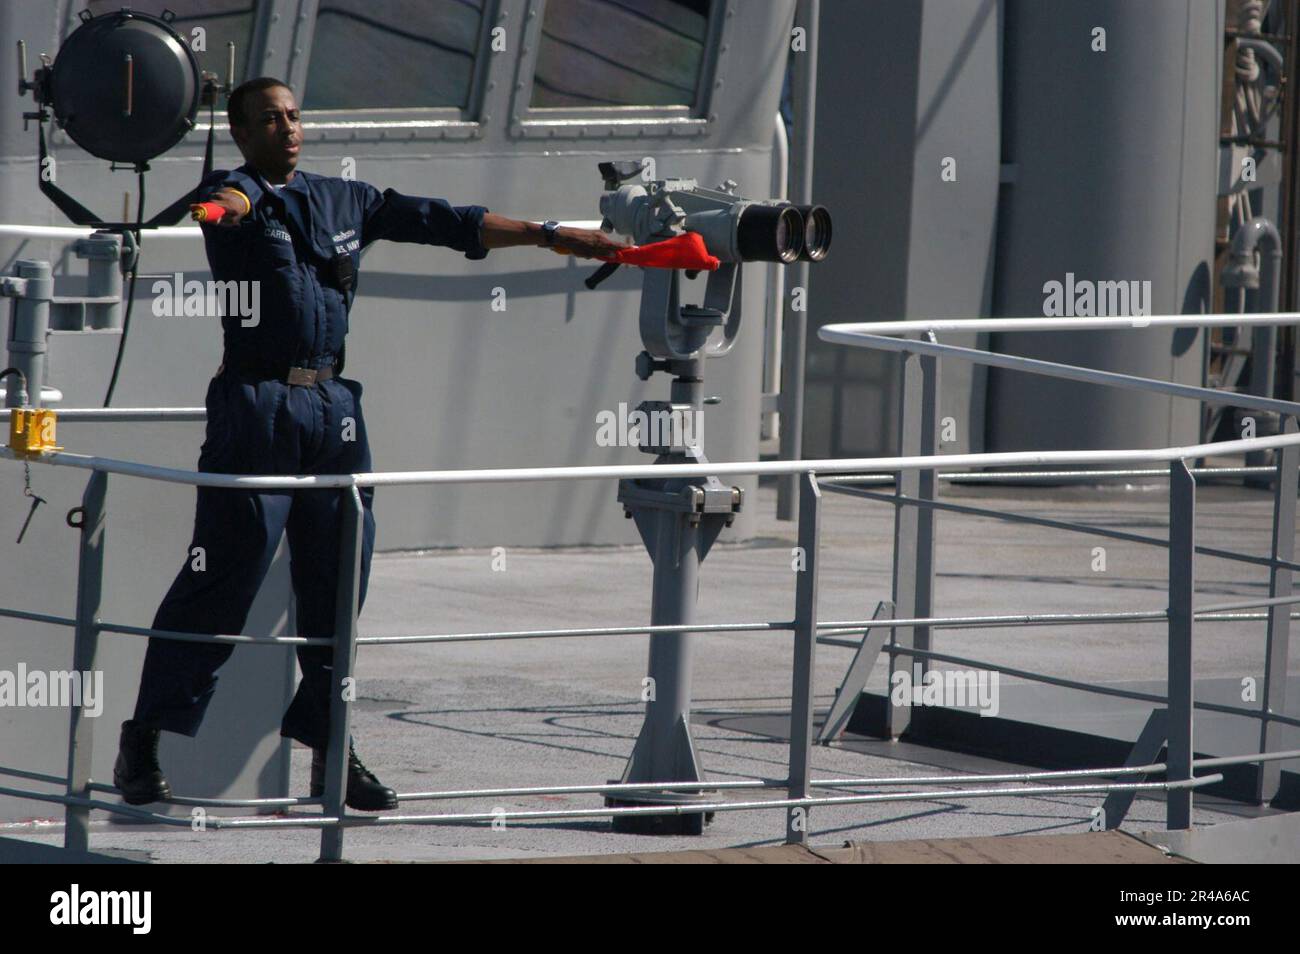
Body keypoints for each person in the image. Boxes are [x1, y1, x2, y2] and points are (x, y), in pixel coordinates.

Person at [113, 77, 626, 811]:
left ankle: (330, 743)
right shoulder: (236, 194)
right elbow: (217, 209)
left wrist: (554, 235)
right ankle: (145, 741)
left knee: (339, 577)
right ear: (242, 134)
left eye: (293, 116)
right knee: (225, 572)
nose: (287, 128)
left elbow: (452, 223)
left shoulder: (346, 200)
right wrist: (206, 207)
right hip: (255, 406)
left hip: (331, 407)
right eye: (268, 120)